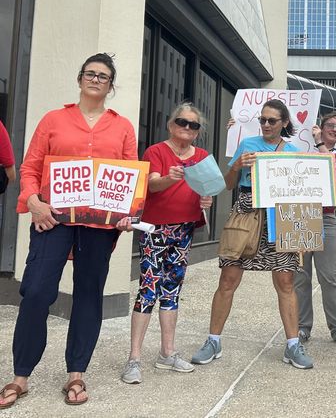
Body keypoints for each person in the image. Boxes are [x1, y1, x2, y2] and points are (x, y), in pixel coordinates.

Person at [0, 53, 136, 408]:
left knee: (89, 296)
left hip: (98, 227)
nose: (95, 79)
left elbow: (130, 182)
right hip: (52, 218)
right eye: (90, 73)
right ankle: (20, 376)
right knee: (36, 293)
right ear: (79, 79)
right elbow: (28, 169)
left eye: (103, 76)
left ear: (110, 85)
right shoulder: (53, 120)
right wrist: (33, 201)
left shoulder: (122, 127)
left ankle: (76, 373)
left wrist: (126, 213)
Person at [191, 99, 313, 370]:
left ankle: (293, 345)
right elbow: (227, 185)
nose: (266, 125)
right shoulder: (246, 146)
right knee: (228, 277)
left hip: (280, 214)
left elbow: (302, 193)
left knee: (285, 282)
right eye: (262, 120)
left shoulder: (293, 152)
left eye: (272, 120)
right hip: (247, 210)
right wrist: (237, 166)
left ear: (284, 123)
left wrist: (302, 232)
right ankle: (213, 340)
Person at [120, 103, 213, 384]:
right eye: (182, 122)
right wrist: (167, 179)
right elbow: (151, 184)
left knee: (172, 291)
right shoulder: (156, 151)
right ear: (171, 125)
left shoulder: (202, 157)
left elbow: (207, 189)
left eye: (193, 125)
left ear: (198, 132)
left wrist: (206, 201)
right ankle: (134, 358)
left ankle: (167, 352)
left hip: (184, 230)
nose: (187, 128)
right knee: (148, 289)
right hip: (155, 230)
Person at [294, 111, 336, 347]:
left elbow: (332, 170)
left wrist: (320, 143)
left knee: (329, 277)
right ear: (321, 126)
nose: (335, 130)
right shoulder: (302, 146)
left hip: (327, 216)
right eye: (331, 125)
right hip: (300, 214)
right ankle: (301, 327)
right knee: (301, 276)